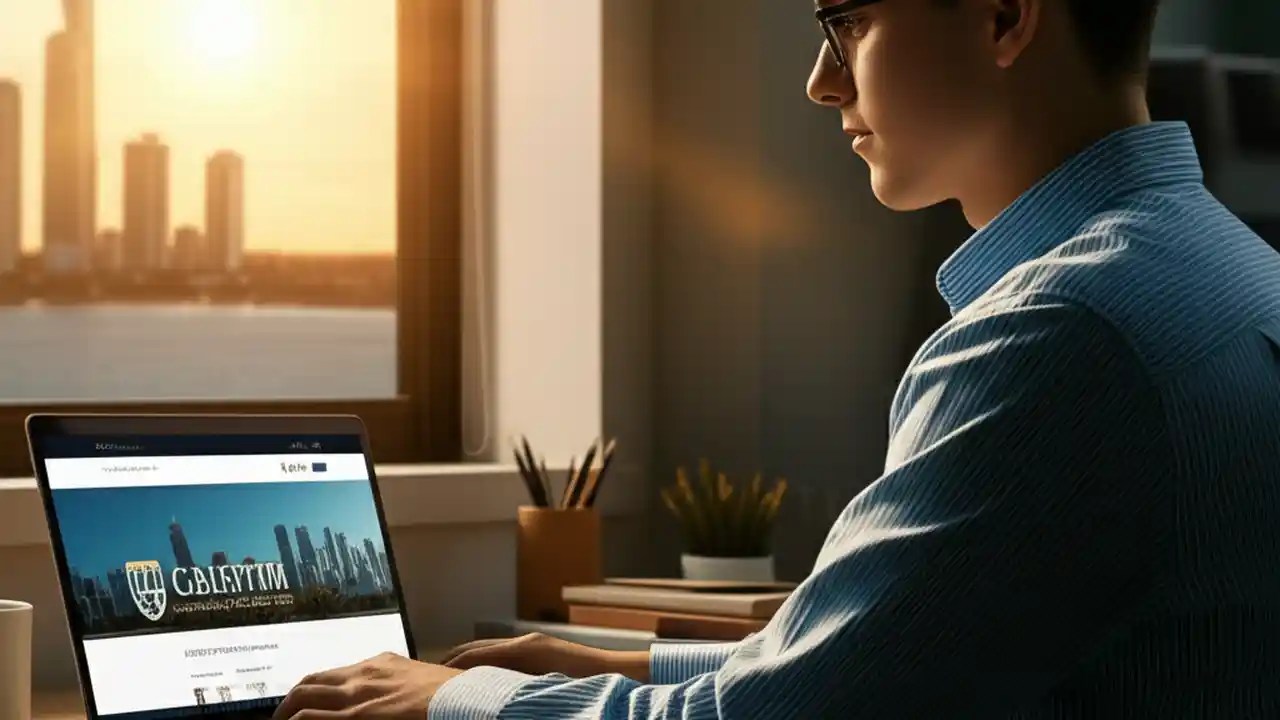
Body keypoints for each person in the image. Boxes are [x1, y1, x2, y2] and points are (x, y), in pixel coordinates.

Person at [274, 0, 1280, 717]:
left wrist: (459, 702)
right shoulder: (1229, 271)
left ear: (1004, 16)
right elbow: (875, 665)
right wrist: (610, 668)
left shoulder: (1056, 336)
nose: (818, 82)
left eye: (845, 22)